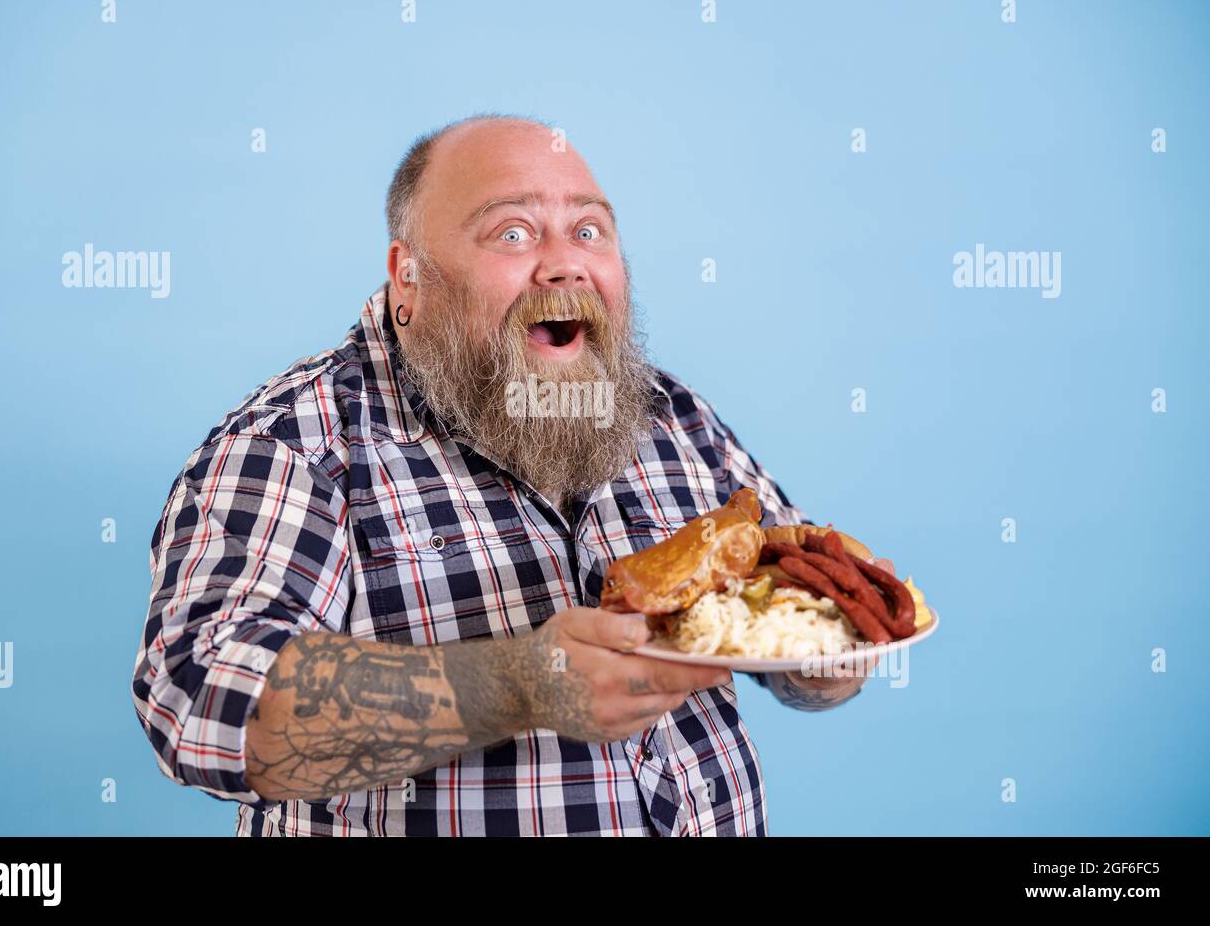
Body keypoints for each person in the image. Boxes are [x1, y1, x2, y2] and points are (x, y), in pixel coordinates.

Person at [131, 114, 869, 836]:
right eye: (512, 233)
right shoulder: (297, 443)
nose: (565, 263)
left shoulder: (672, 415)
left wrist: (827, 656)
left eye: (589, 231)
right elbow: (195, 697)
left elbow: (793, 608)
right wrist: (517, 684)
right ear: (408, 278)